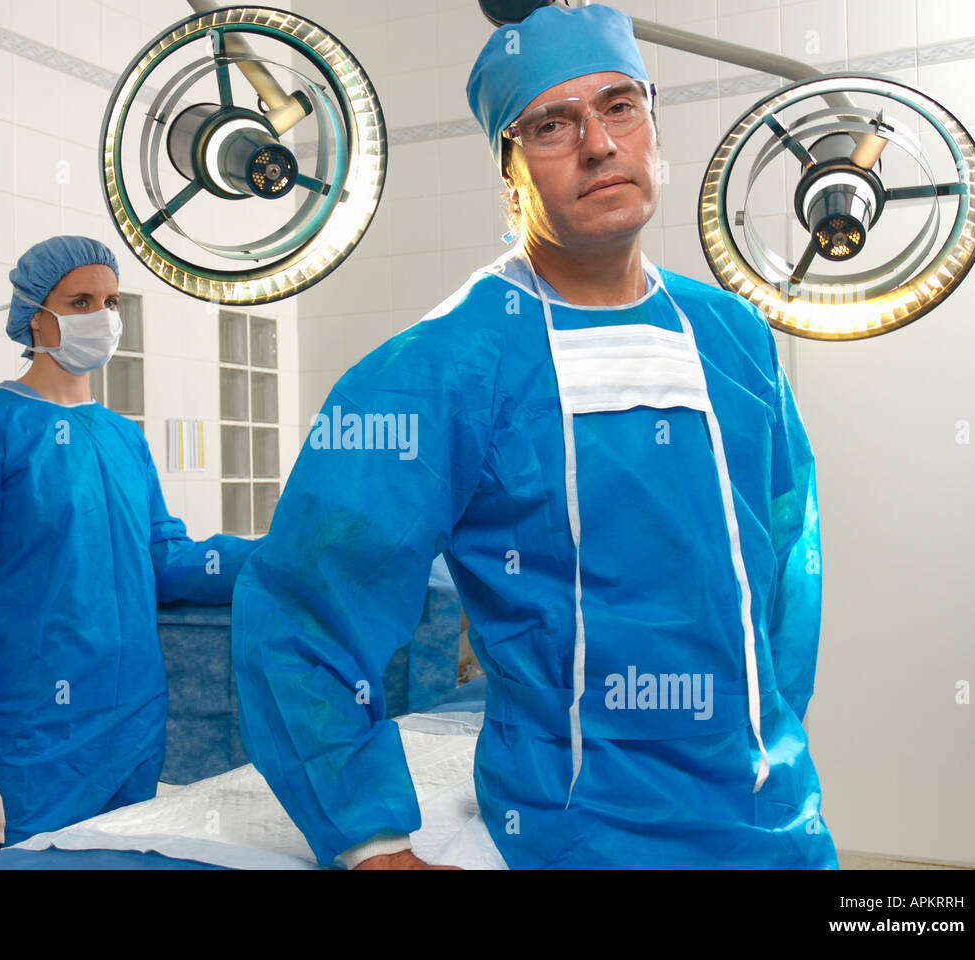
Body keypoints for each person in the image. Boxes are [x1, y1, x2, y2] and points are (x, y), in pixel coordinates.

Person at [231, 4, 838, 869]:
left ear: (651, 127)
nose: (598, 144)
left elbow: (788, 567)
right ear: (509, 170)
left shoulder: (734, 335)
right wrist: (368, 841)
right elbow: (299, 612)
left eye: (620, 106)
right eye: (553, 125)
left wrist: (774, 732)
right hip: (572, 835)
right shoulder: (439, 367)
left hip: (773, 823)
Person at [0, 235, 259, 859]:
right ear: (34, 316)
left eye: (110, 300)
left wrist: (281, 556)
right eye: (80, 301)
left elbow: (161, 559)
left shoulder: (124, 438)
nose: (101, 317)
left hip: (132, 723)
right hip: (34, 730)